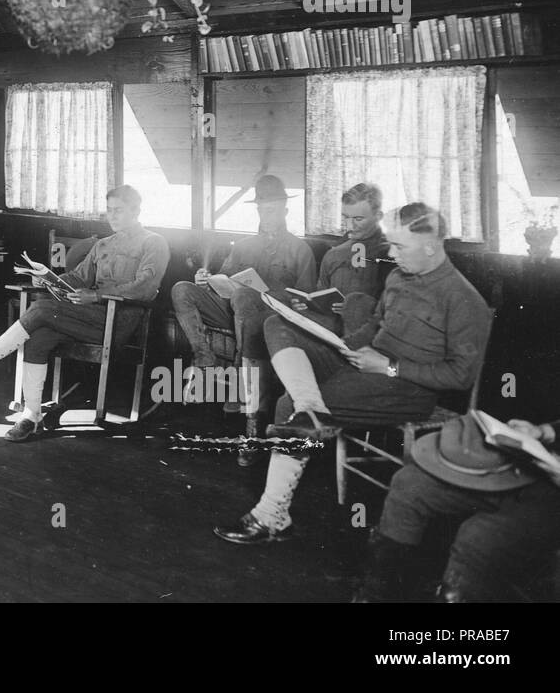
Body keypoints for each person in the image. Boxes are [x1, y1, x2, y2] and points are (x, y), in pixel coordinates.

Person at [213, 202, 492, 545]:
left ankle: (272, 516)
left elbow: (460, 377)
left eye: (401, 247)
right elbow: (375, 326)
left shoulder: (464, 299)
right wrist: (340, 345)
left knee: (289, 407)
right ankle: (310, 406)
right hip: (363, 366)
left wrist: (389, 366)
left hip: (404, 388)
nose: (393, 253)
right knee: (275, 324)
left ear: (431, 246)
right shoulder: (398, 277)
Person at [0, 184, 169, 441]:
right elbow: (79, 278)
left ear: (136, 211)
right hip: (88, 317)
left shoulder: (154, 243)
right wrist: (48, 280)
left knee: (40, 308)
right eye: (109, 210)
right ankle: (31, 416)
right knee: (38, 339)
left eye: (119, 210)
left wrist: (97, 295)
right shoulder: (103, 245)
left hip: (120, 323)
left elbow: (145, 286)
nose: (112, 216)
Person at [355, 413, 560, 602]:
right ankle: (376, 594)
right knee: (410, 484)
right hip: (541, 469)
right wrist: (544, 431)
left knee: (480, 535)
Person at [171, 174, 316, 419]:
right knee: (181, 289)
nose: (266, 216)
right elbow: (223, 281)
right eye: (262, 211)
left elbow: (307, 297)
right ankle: (204, 357)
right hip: (231, 311)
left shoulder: (300, 250)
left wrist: (297, 301)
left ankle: (240, 370)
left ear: (285, 210)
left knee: (244, 296)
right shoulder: (243, 246)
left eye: (272, 211)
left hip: (270, 319)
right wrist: (206, 281)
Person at [292, 182, 389, 335]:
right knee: (276, 323)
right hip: (331, 329)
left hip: (371, 337)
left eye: (358, 219)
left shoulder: (393, 254)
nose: (349, 226)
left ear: (378, 216)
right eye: (346, 218)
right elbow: (319, 298)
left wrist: (358, 308)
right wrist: (305, 306)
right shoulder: (334, 254)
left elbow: (398, 312)